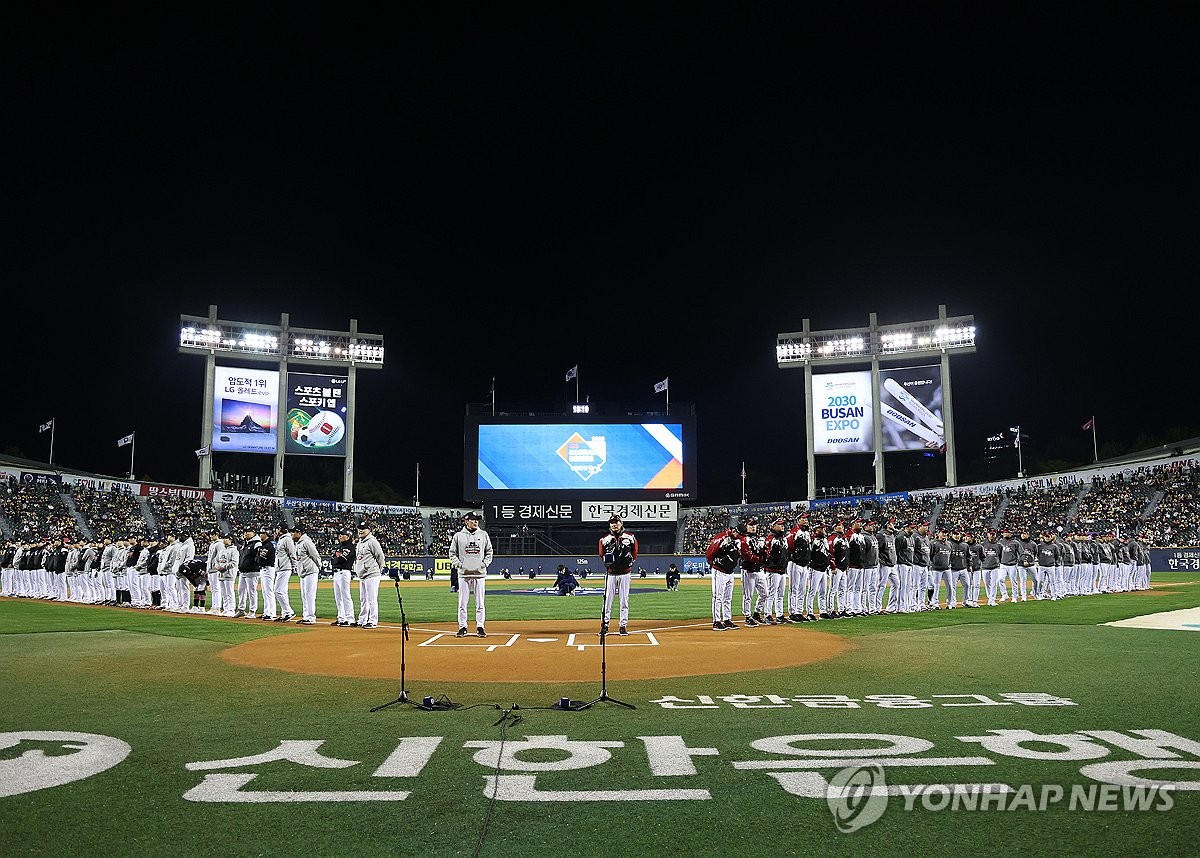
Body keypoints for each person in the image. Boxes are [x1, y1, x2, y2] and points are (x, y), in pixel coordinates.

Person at [449, 511, 493, 637]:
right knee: (462, 603)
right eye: (473, 519)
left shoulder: (483, 534)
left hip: (479, 573)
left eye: (477, 519)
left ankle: (480, 626)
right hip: (464, 573)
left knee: (480, 603)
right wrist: (459, 565)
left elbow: (489, 551)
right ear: (466, 521)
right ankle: (462, 627)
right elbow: (452, 553)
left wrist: (484, 564)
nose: (476, 522)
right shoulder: (458, 536)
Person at [599, 513, 638, 636]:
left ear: (621, 523)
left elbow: (635, 552)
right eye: (612, 523)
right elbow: (601, 554)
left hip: (625, 573)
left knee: (624, 600)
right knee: (607, 601)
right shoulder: (604, 539)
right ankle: (605, 625)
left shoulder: (630, 537)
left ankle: (623, 625)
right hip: (611, 574)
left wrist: (628, 562)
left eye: (616, 522)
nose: (614, 525)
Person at [705, 520, 743, 630]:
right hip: (719, 570)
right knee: (718, 597)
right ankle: (716, 621)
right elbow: (710, 553)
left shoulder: (738, 540)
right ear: (734, 531)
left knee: (728, 598)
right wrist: (713, 564)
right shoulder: (722, 538)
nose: (740, 537)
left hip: (730, 572)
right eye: (739, 534)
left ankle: (727, 619)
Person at [354, 522, 386, 629]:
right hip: (362, 575)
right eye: (359, 528)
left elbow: (380, 556)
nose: (361, 530)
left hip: (372, 574)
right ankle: (362, 619)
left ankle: (373, 620)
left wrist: (378, 569)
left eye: (363, 528)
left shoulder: (372, 542)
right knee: (363, 599)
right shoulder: (360, 542)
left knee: (372, 599)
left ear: (369, 530)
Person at [290, 524, 323, 624]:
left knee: (309, 595)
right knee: (304, 595)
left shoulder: (307, 542)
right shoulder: (298, 543)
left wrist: (319, 566)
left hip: (310, 571)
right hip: (303, 572)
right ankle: (306, 616)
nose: (292, 534)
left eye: (293, 532)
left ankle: (311, 617)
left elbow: (315, 555)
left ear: (299, 533)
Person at [330, 529, 356, 626]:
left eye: (342, 534)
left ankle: (350, 619)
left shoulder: (350, 547)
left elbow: (341, 560)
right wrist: (336, 560)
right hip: (336, 573)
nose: (339, 536)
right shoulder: (340, 547)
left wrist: (336, 560)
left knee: (345, 596)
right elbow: (333, 560)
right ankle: (341, 618)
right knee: (338, 597)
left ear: (348, 536)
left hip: (344, 572)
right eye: (339, 535)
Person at [255, 528, 277, 621]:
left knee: (268, 592)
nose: (260, 535)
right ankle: (266, 611)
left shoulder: (268, 545)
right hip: (264, 569)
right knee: (265, 592)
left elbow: (261, 560)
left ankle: (271, 613)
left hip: (268, 569)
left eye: (262, 533)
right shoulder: (265, 544)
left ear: (267, 534)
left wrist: (258, 558)